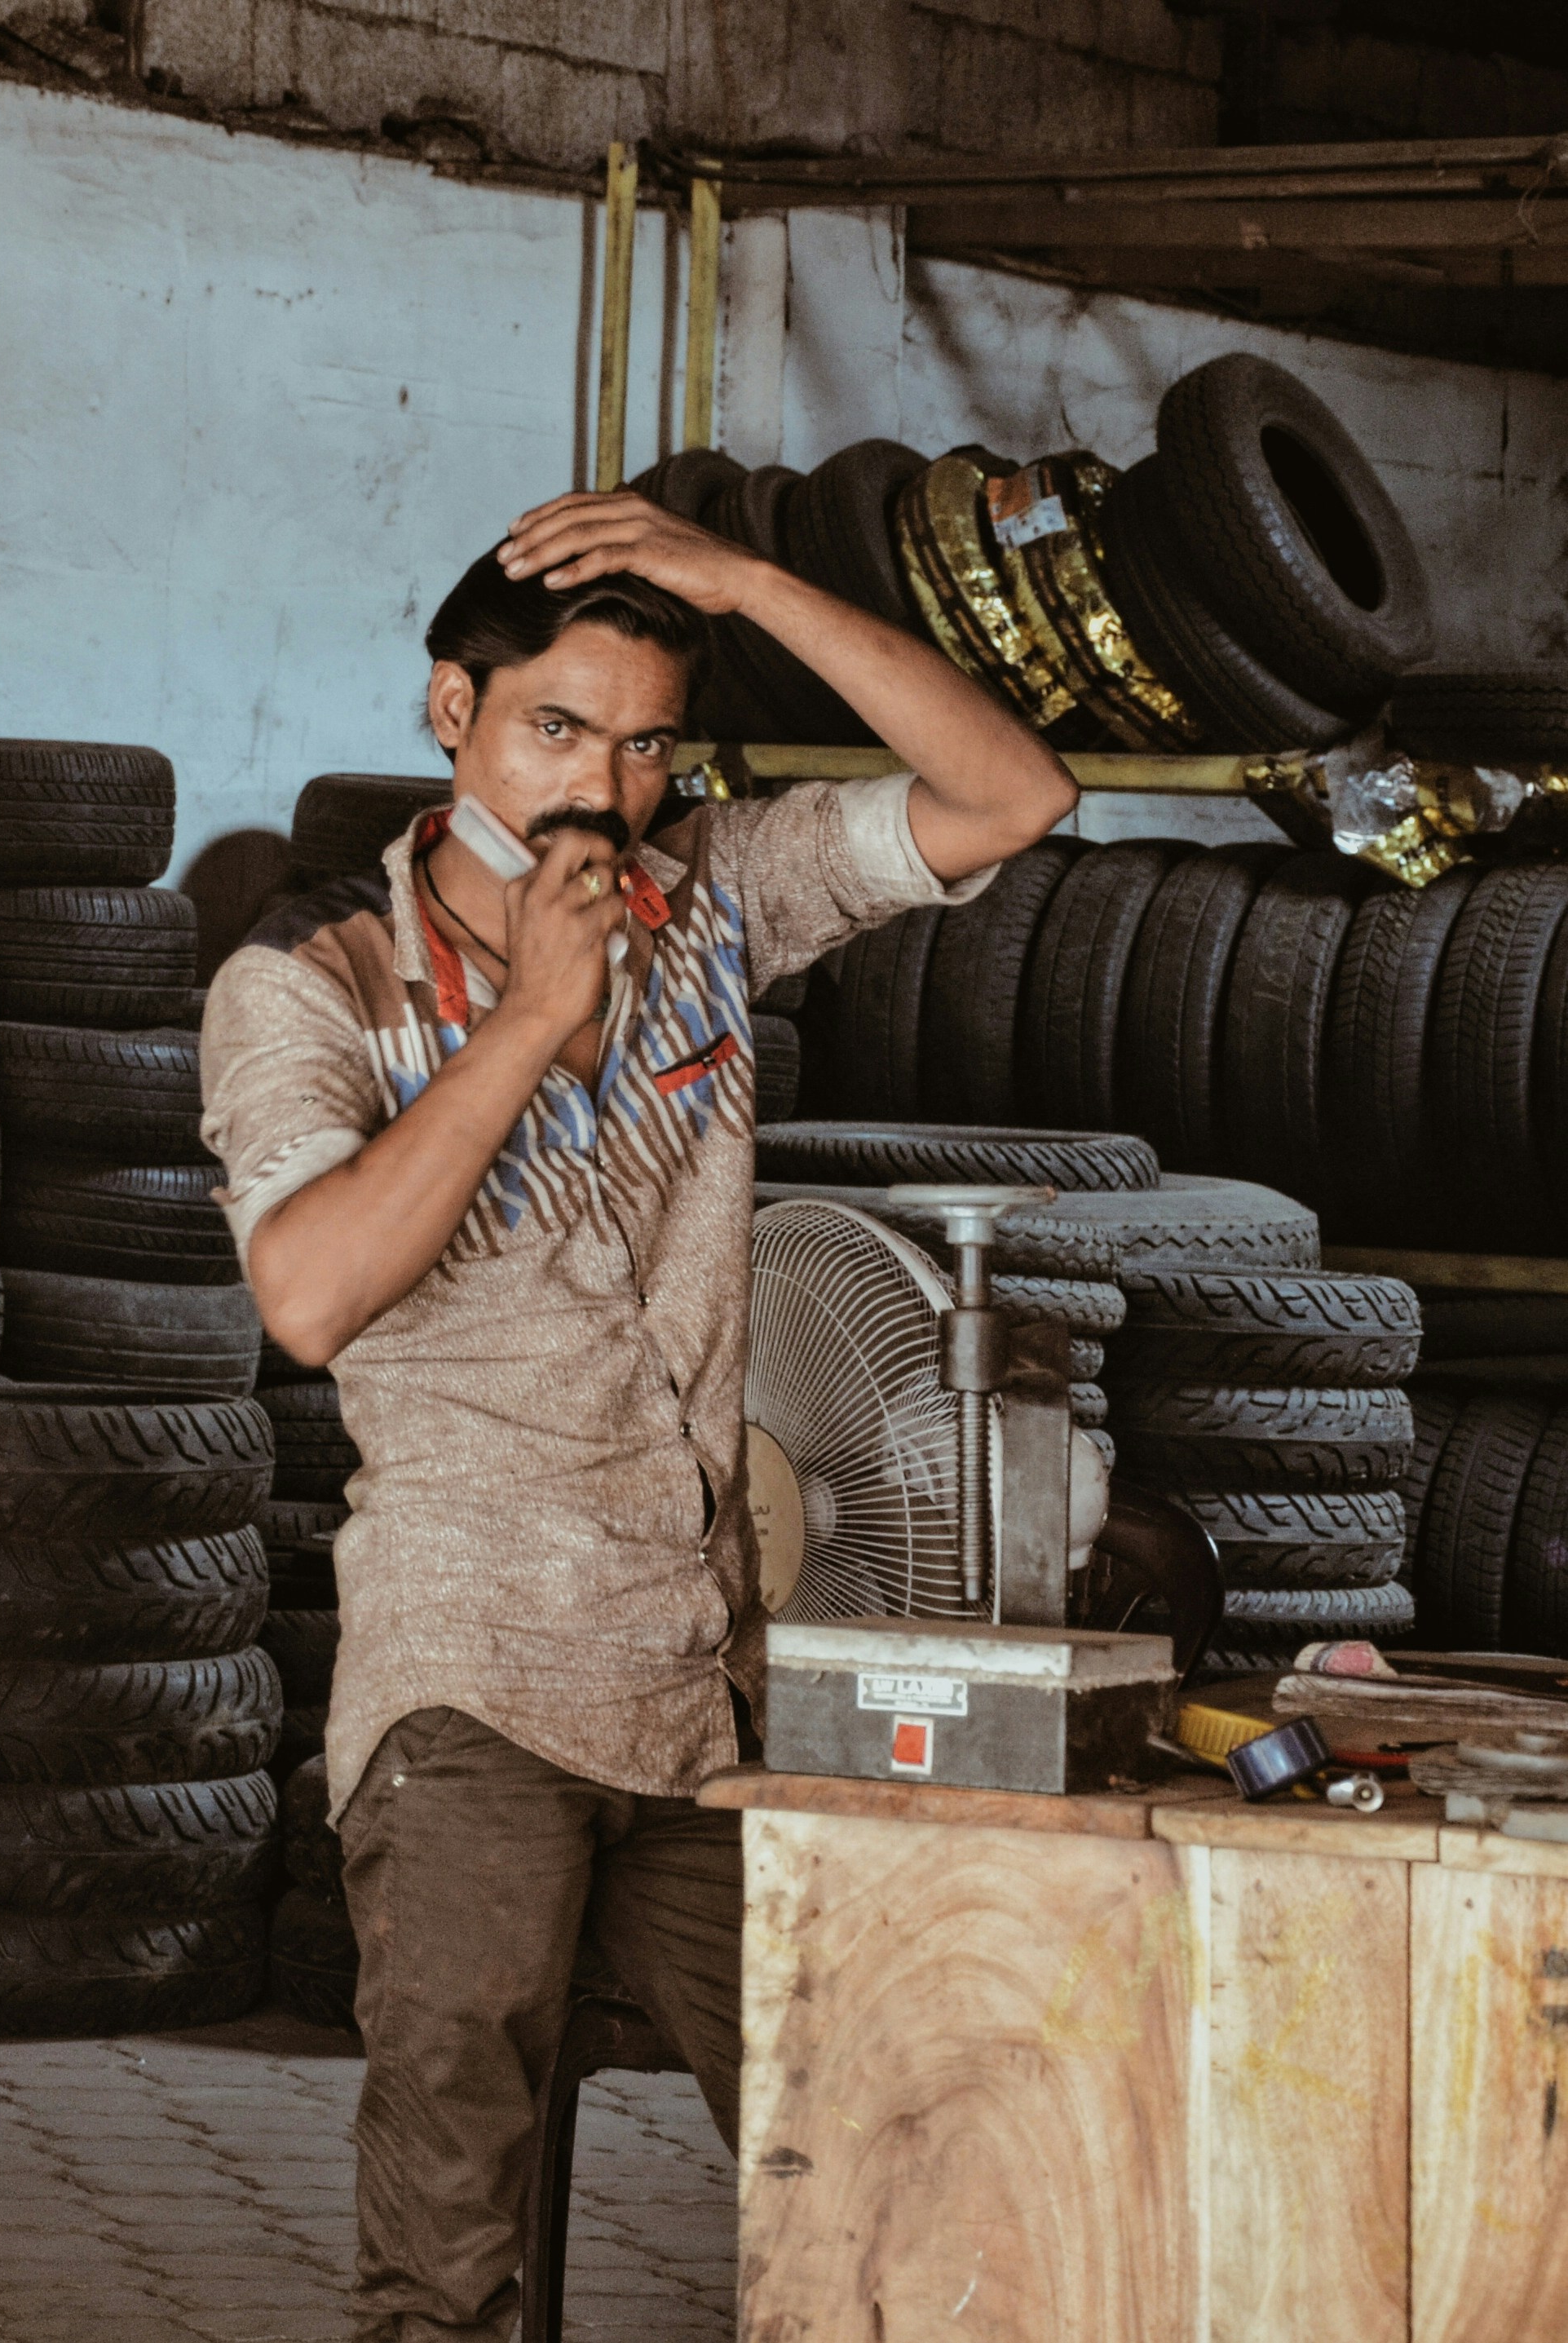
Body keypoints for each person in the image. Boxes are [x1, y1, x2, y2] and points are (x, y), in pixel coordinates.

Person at [199, 485, 1076, 2341]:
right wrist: (529, 1015)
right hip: (471, 1684)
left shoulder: (718, 898)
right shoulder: (310, 984)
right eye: (557, 731)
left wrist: (750, 582)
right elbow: (308, 1293)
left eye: (651, 742)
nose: (606, 787)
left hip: (698, 1690)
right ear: (453, 714)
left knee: (887, 2128)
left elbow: (1013, 798)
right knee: (451, 2253)